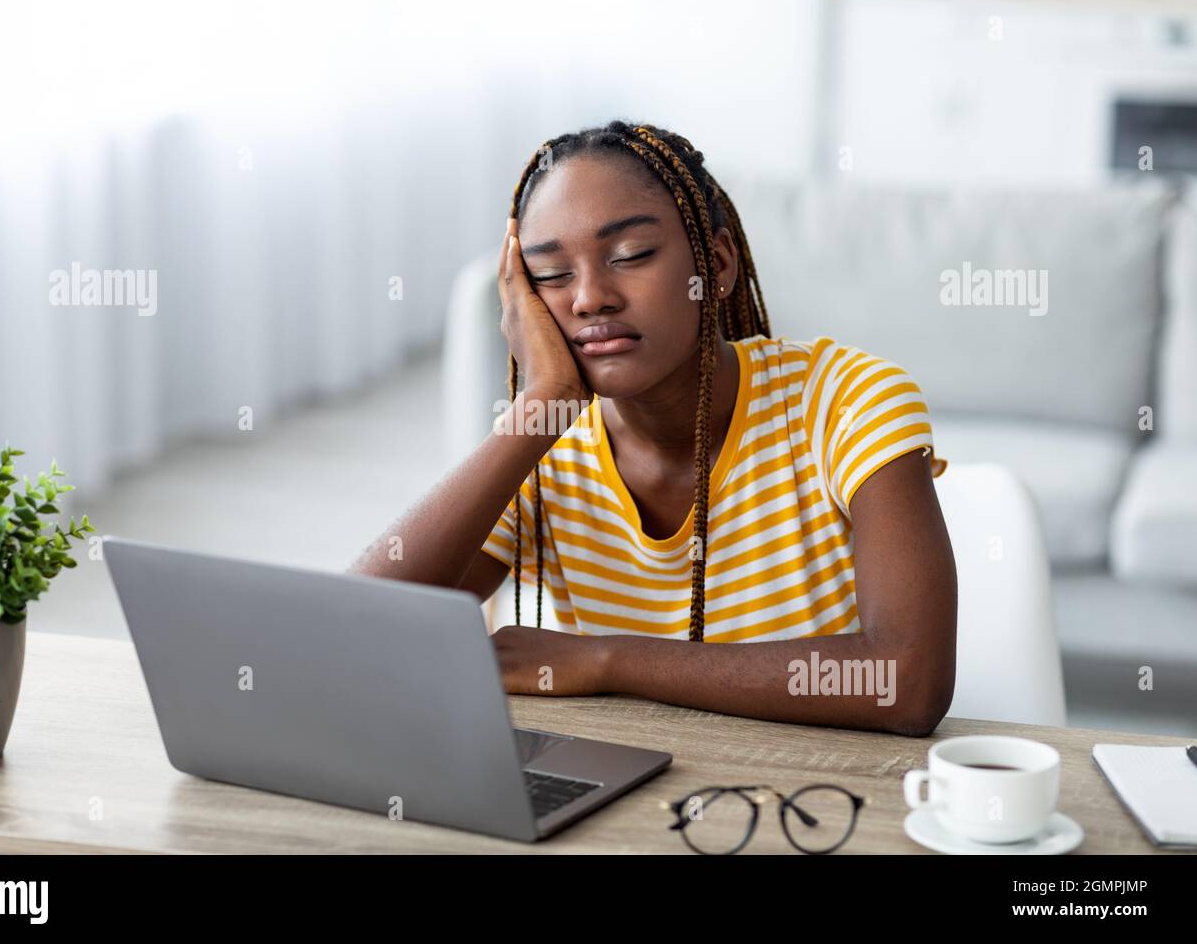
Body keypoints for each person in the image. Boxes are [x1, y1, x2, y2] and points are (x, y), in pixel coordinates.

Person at [351, 120, 956, 736]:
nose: (590, 297)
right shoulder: (544, 442)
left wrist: (606, 658)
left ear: (715, 265)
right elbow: (354, 635)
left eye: (630, 256)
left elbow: (906, 682)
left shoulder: (846, 399)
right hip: (620, 790)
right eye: (552, 275)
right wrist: (544, 405)